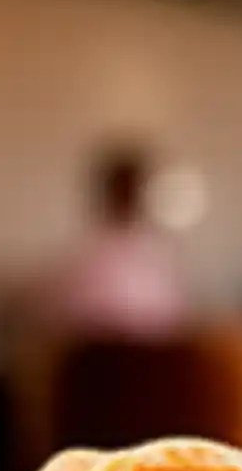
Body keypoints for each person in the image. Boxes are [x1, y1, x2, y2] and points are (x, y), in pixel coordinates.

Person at [50, 144, 188, 340]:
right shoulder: (86, 253)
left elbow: (174, 318)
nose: (129, 196)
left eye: (134, 189)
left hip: (152, 358)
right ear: (108, 193)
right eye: (122, 188)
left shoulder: (160, 251)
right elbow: (71, 319)